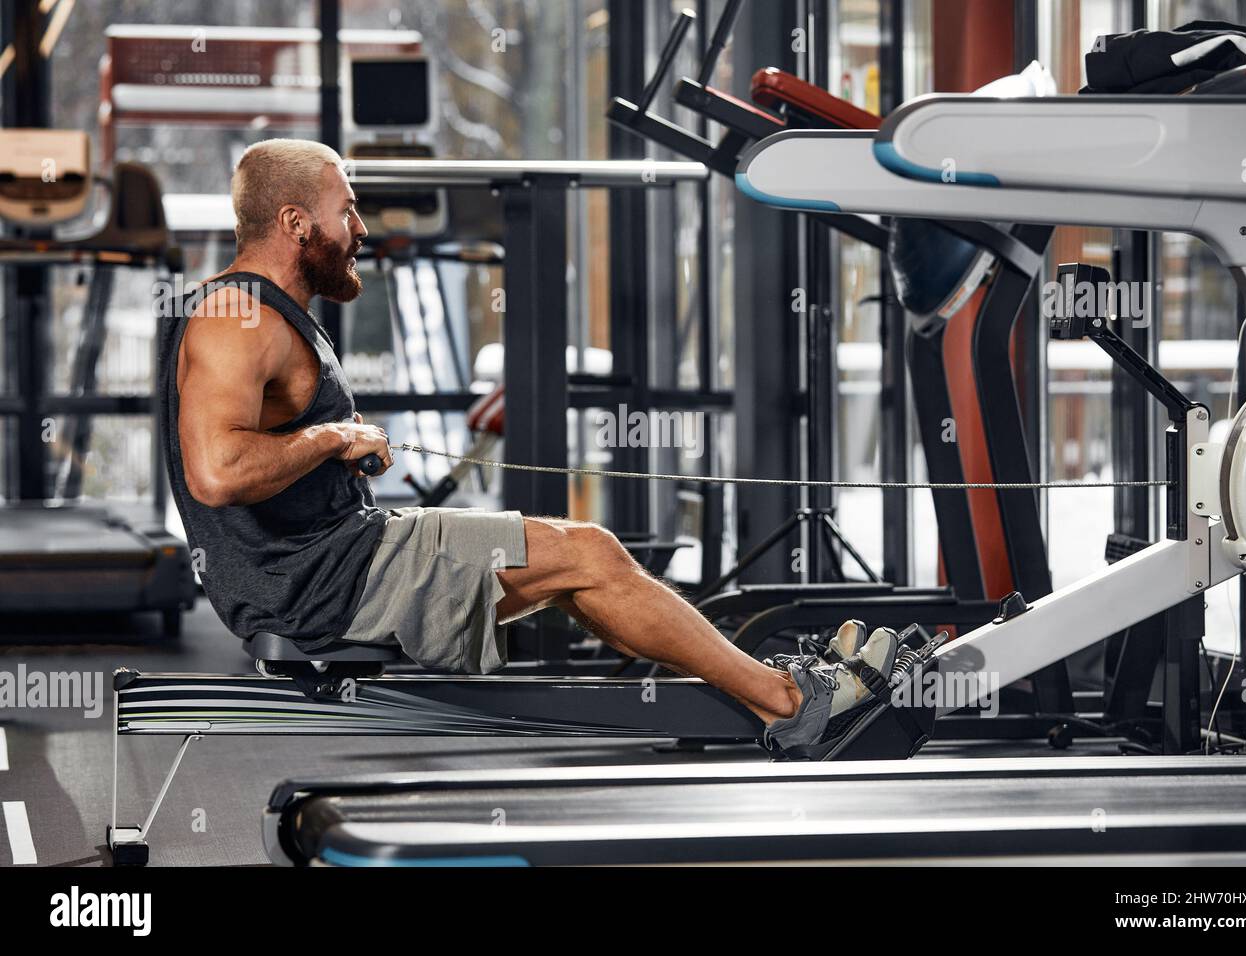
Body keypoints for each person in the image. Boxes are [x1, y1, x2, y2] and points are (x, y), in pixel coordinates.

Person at [159, 138, 898, 755]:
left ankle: (777, 694)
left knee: (578, 562)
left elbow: (251, 450)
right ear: (294, 221)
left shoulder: (258, 313)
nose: (358, 227)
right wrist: (331, 436)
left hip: (335, 561)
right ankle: (791, 702)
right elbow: (217, 473)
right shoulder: (239, 319)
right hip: (323, 583)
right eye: (345, 208)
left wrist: (335, 446)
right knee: (589, 553)